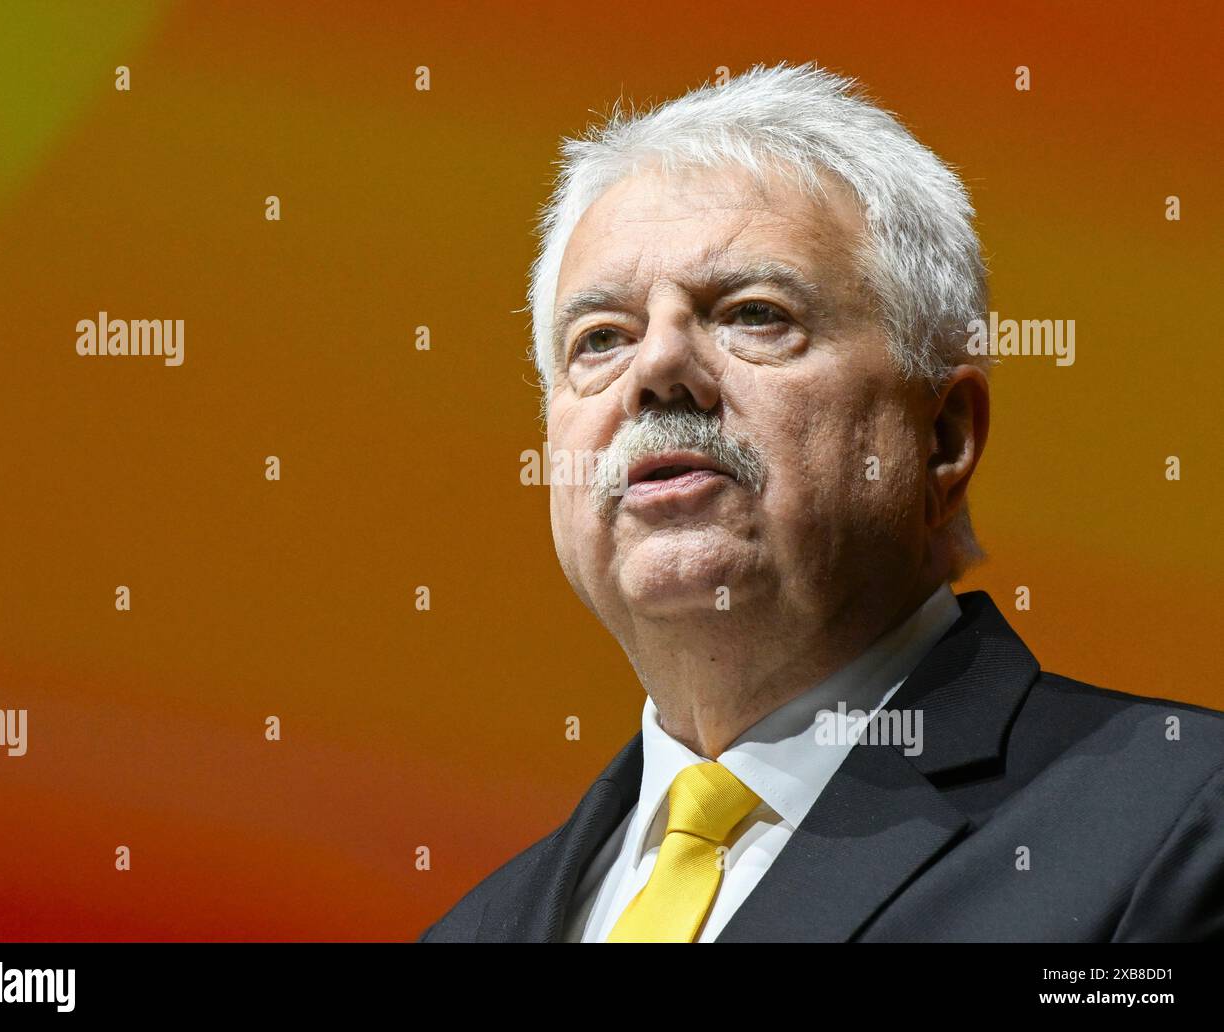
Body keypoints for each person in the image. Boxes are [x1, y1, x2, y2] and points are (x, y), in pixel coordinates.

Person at [417, 62, 1224, 942]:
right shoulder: (471, 930)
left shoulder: (1179, 824)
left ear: (942, 437)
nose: (657, 368)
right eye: (600, 338)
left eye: (754, 314)